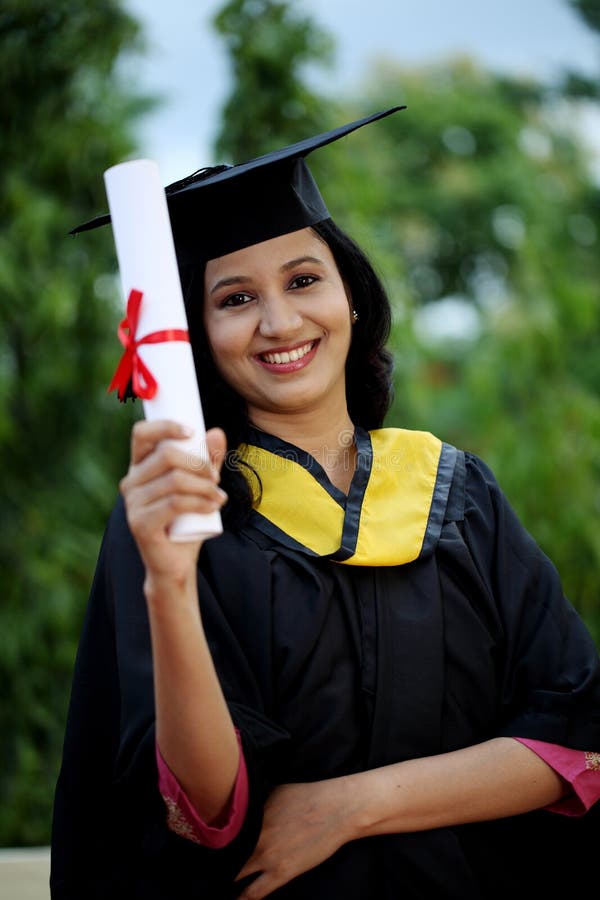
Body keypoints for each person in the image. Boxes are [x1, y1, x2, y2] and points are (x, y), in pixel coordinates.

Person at [51, 107, 600, 900]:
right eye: (234, 299)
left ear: (350, 295)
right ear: (198, 334)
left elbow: (575, 743)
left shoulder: (459, 493)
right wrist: (167, 582)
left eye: (304, 280)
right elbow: (204, 811)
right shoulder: (181, 516)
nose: (280, 321)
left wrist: (350, 806)